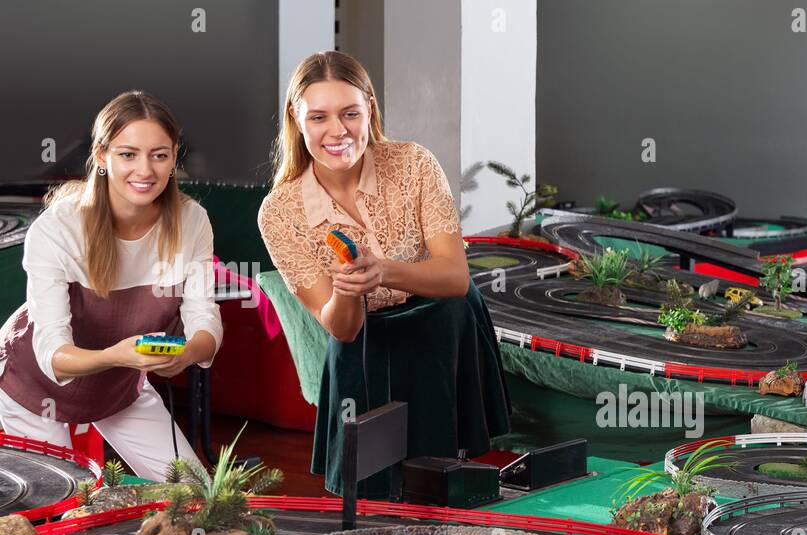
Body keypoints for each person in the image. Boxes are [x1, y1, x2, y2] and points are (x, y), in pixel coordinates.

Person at [258, 51, 510, 499]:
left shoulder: (414, 163)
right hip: (364, 344)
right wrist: (348, 288)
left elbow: (454, 278)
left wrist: (383, 271)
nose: (337, 131)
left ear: (369, 107)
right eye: (318, 116)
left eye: (350, 112)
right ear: (296, 119)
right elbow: (342, 328)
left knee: (446, 480)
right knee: (370, 489)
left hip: (441, 324)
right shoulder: (279, 212)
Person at [0, 91, 222, 481]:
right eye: (128, 154)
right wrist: (118, 356)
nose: (145, 170)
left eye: (159, 154)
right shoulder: (57, 230)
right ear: (102, 157)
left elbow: (206, 321)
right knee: (68, 507)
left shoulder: (193, 222)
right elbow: (53, 354)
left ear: (174, 157)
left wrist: (185, 355)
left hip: (121, 385)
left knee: (195, 494)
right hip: (31, 388)